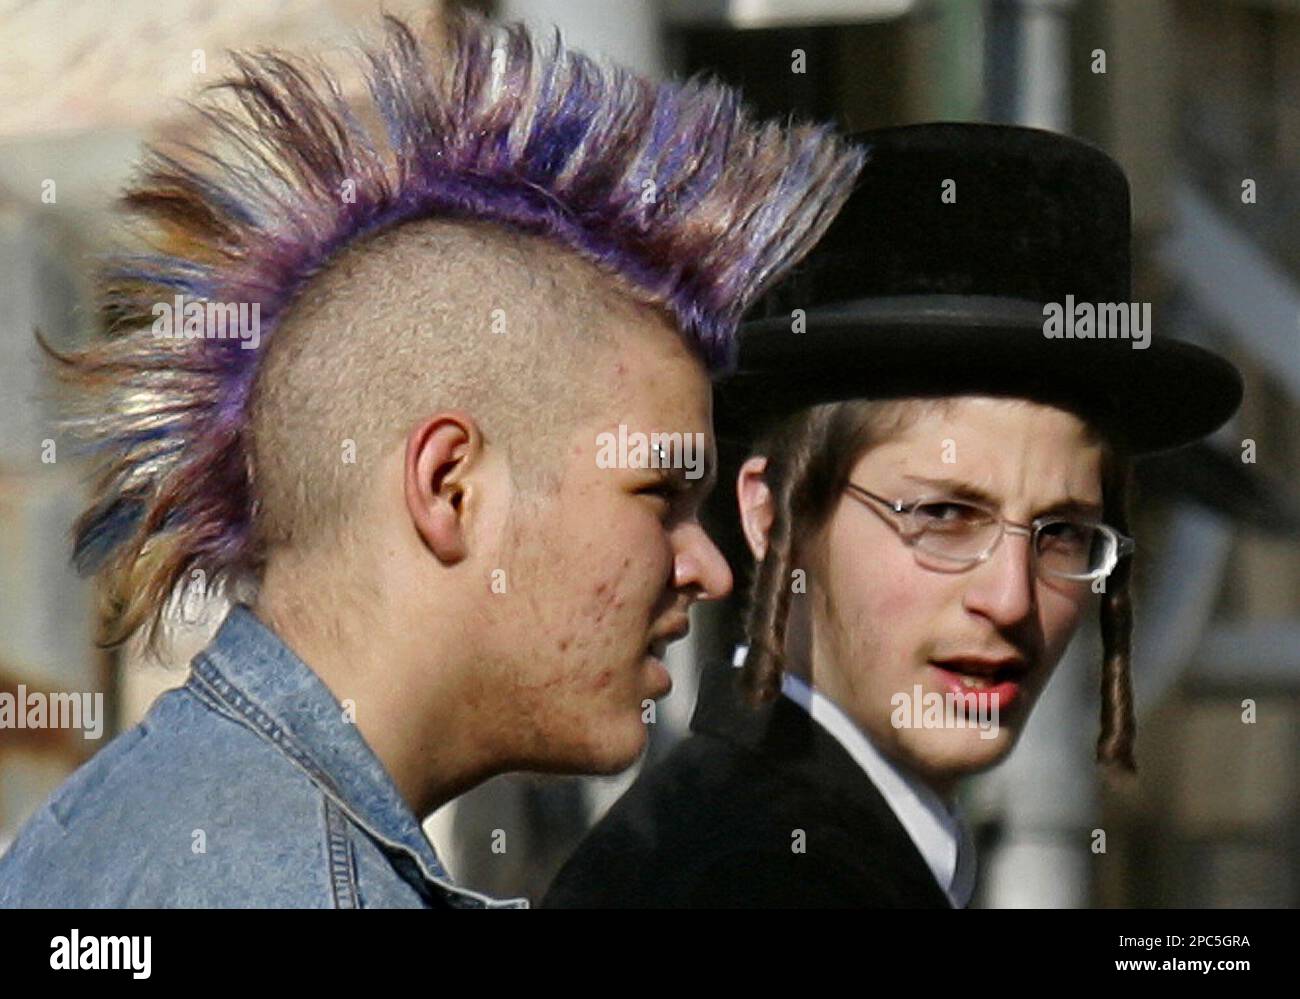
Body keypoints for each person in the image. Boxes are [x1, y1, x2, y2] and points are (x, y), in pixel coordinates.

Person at [0, 6, 862, 907]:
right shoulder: (292, 885)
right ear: (450, 488)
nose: (711, 568)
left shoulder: (142, 817)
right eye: (658, 493)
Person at [542, 122, 1244, 908]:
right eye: (945, 515)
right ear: (770, 515)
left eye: (1063, 532)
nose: (1011, 598)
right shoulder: (753, 881)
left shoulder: (812, 846)